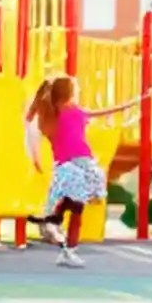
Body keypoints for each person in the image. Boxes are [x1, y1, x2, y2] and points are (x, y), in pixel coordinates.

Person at [24, 75, 109, 268]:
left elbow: (98, 113)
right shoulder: (61, 113)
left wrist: (129, 105)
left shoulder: (57, 113)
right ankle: (65, 239)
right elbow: (99, 113)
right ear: (69, 92)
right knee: (79, 207)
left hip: (74, 165)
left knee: (79, 205)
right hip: (74, 166)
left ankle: (58, 223)